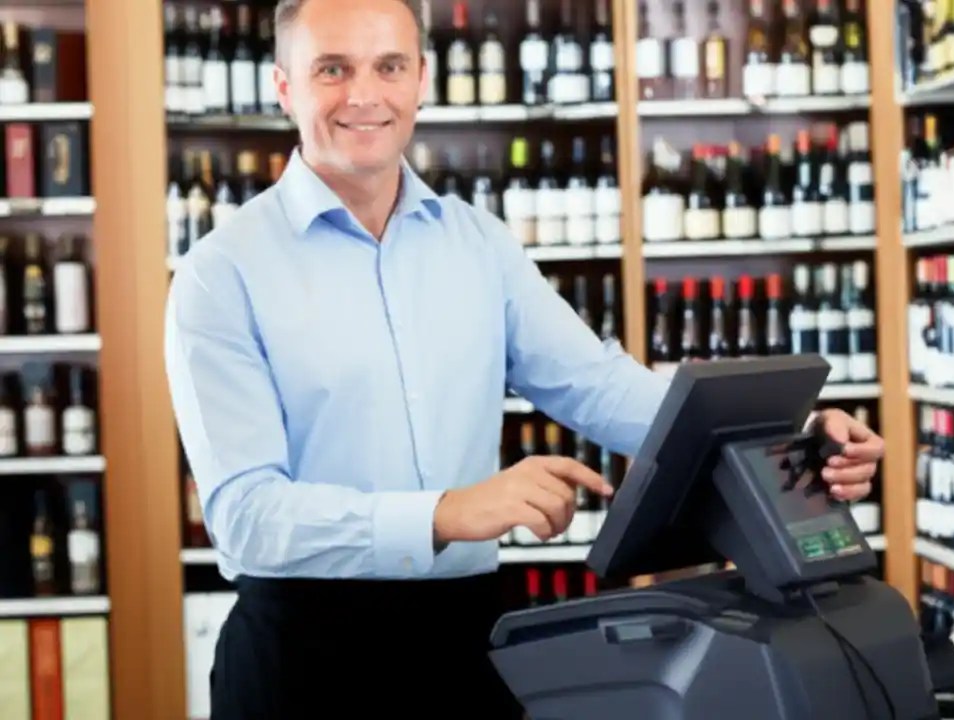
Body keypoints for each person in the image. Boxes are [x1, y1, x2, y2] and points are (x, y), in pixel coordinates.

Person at [163, 0, 885, 717]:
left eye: (389, 66)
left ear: (422, 79)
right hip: (301, 662)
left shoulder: (478, 245)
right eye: (331, 69)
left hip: (467, 647)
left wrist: (790, 434)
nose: (364, 94)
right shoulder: (221, 273)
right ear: (284, 85)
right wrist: (445, 514)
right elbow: (247, 515)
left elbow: (599, 388)